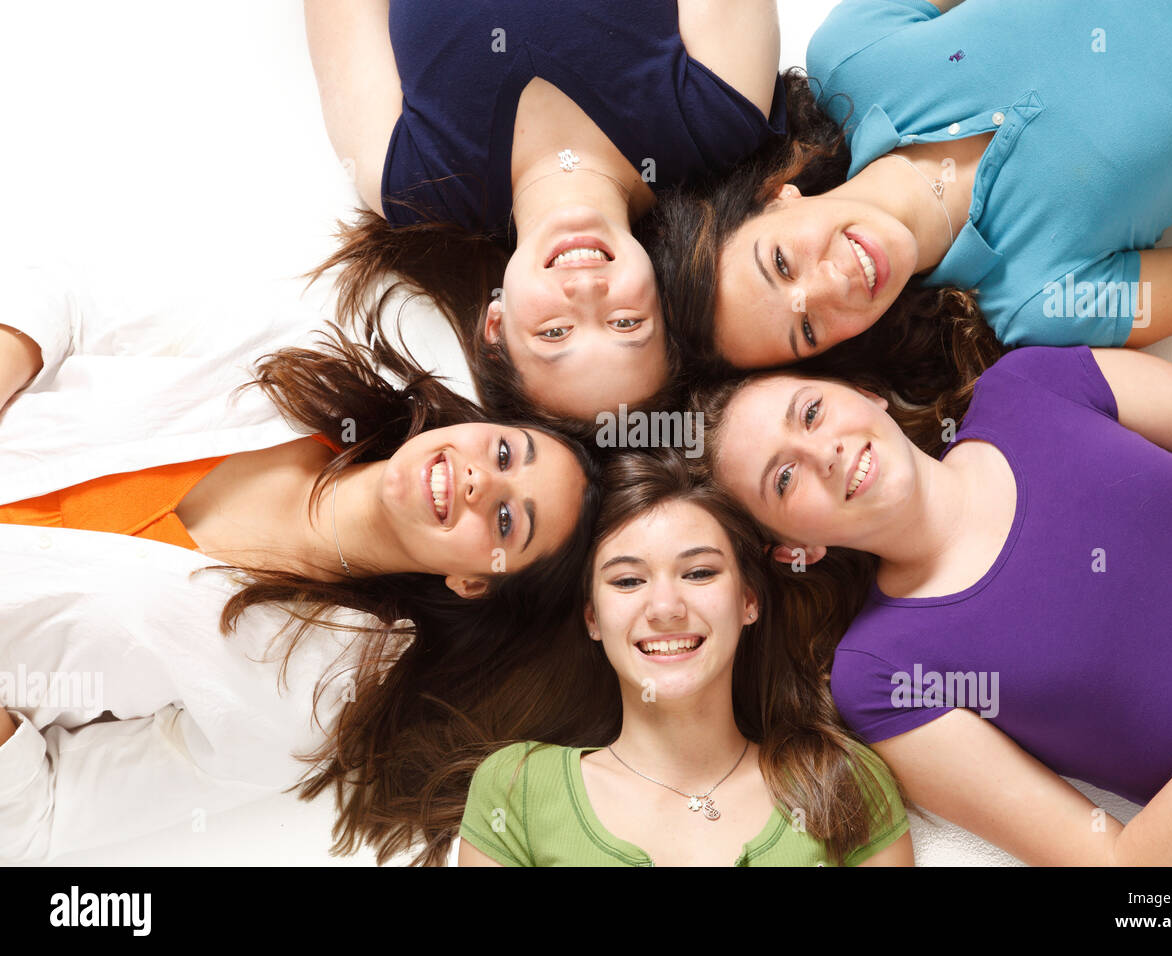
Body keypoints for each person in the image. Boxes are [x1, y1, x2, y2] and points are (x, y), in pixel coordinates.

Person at [0, 289, 600, 862]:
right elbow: (69, 309)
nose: (481, 481)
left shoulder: (301, 694)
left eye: (505, 520)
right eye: (504, 453)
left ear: (474, 582)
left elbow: (41, 814)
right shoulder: (293, 367)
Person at [695, 344, 1172, 864]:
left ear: (865, 392)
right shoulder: (882, 673)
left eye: (811, 412)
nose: (822, 452)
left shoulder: (1031, 385)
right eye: (783, 478)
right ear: (794, 548)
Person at [647, 0, 1172, 379]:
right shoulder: (1044, 303)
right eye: (809, 328)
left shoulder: (853, 57)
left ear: (775, 194)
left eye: (781, 263)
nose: (828, 285)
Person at [304, 0, 786, 421]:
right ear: (666, 299)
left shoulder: (412, 181)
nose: (586, 290)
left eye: (554, 332)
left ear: (496, 325)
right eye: (626, 323)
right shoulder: (718, 113)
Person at [457, 451, 912, 866]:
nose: (665, 609)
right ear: (592, 619)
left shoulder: (844, 782)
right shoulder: (519, 789)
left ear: (748, 601)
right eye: (628, 581)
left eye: (699, 573)